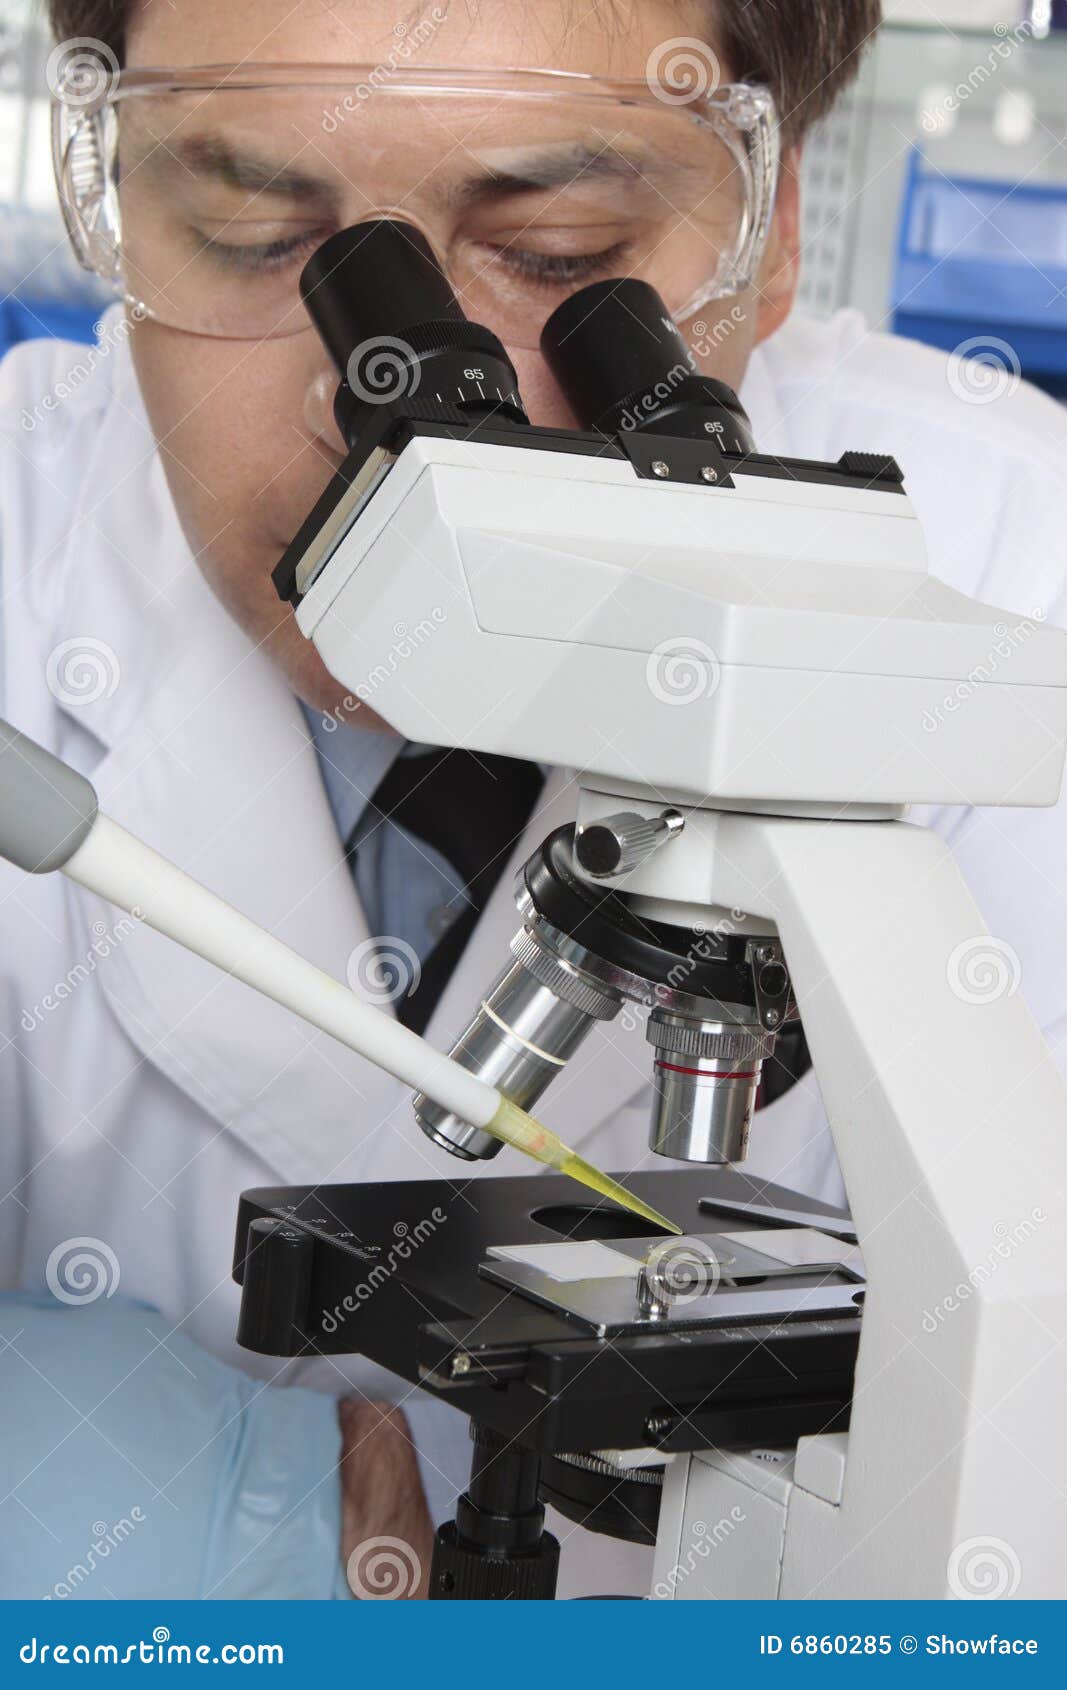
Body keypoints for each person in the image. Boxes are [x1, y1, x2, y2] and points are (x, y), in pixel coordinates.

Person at [3, 0, 1065, 1597]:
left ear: (774, 244)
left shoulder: (1016, 577)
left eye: (561, 253)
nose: (356, 406)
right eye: (241, 226)